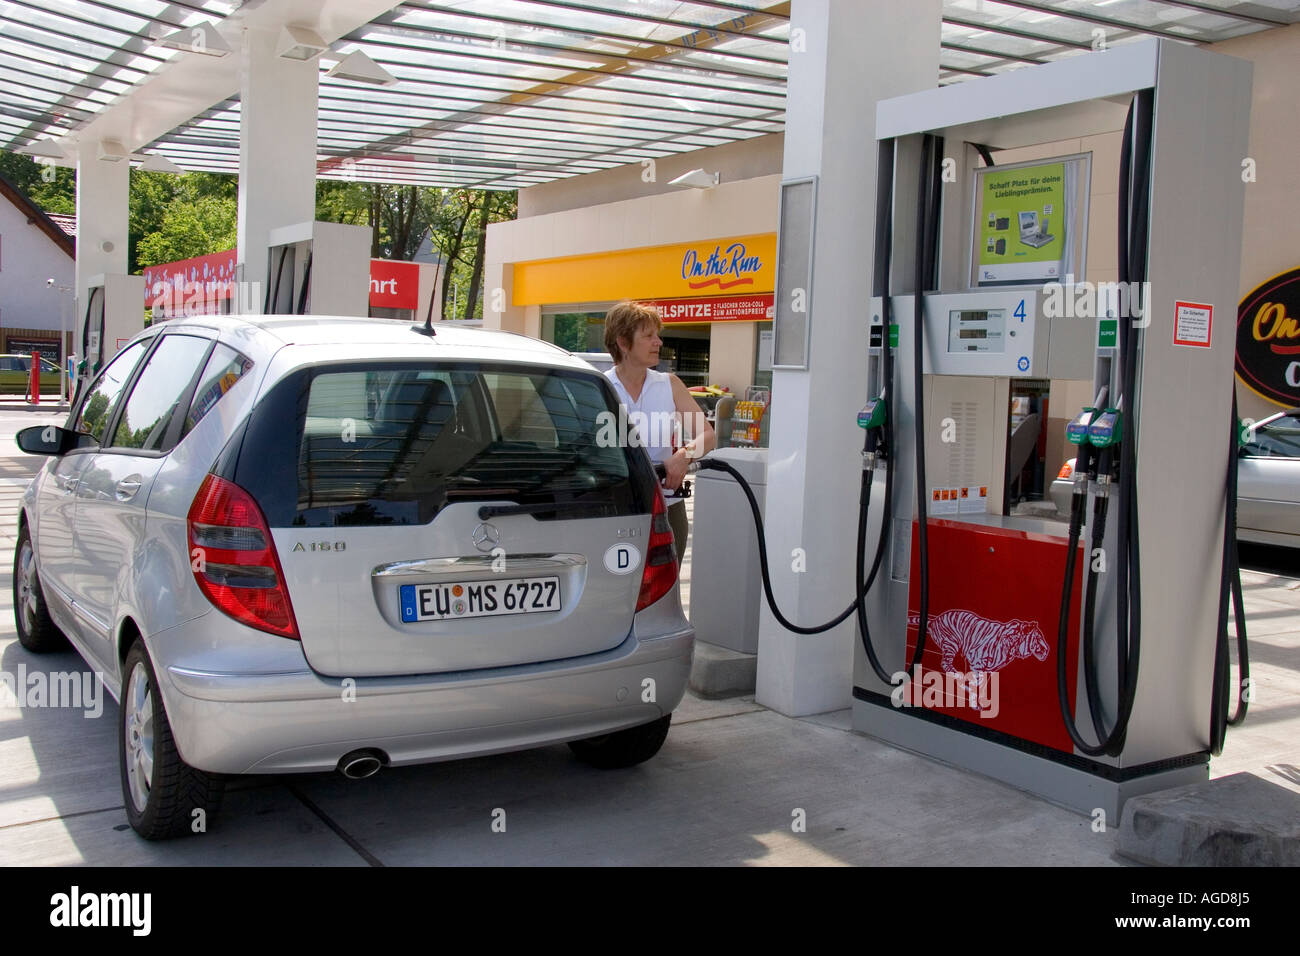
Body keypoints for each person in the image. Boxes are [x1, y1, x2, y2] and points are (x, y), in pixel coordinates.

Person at [603, 301, 715, 567]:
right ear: (623, 342)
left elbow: (708, 436)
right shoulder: (602, 386)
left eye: (657, 334)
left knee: (663, 597)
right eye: (648, 336)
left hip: (666, 508)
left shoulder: (669, 384)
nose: (658, 342)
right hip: (615, 510)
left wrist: (683, 456)